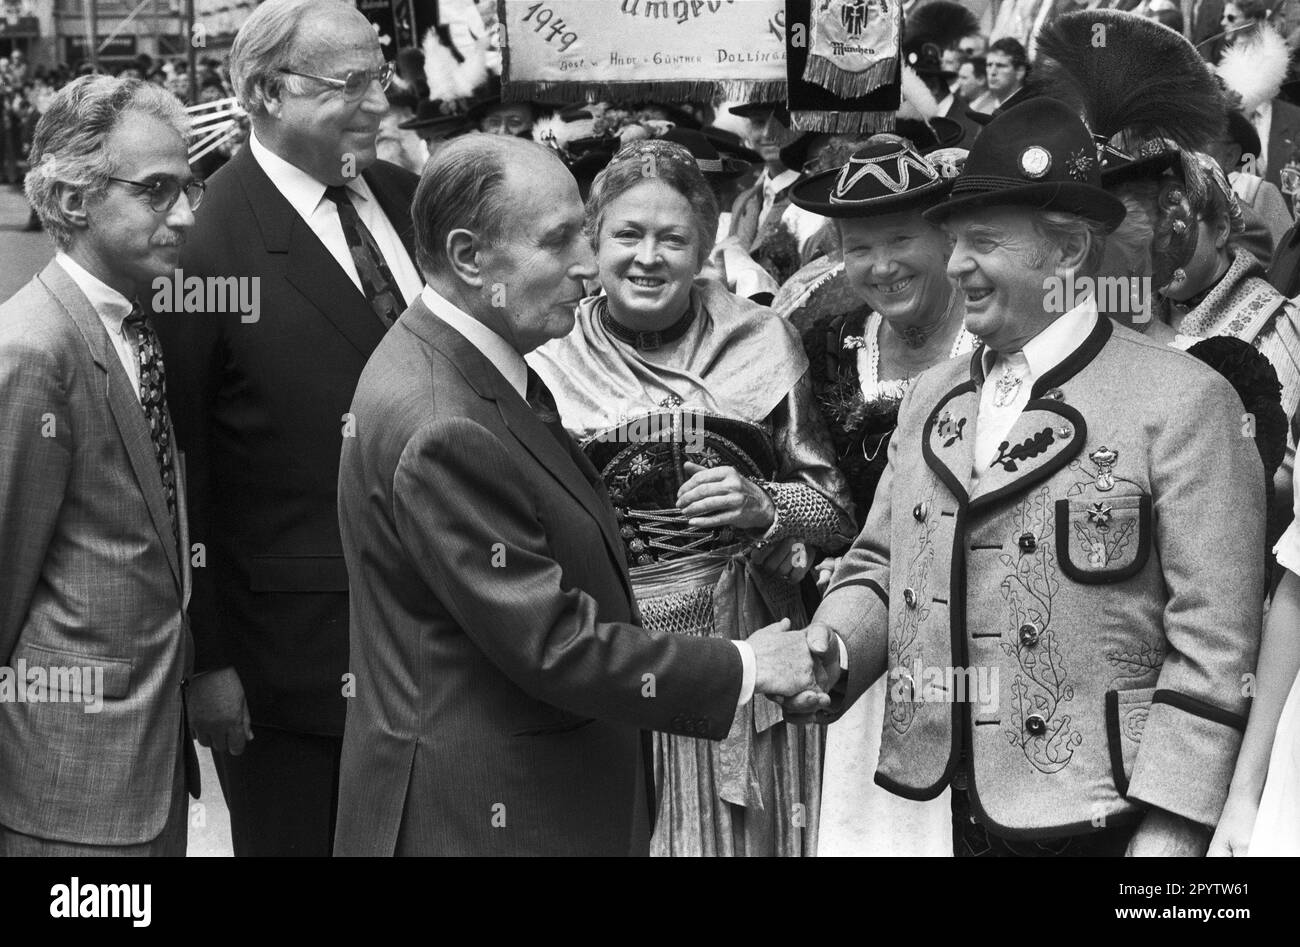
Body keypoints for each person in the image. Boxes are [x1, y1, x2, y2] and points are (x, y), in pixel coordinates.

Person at [795, 98, 1266, 857]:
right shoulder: (932, 396)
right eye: (953, 243)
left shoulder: (1186, 402)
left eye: (981, 242)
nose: (954, 266)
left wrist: (1172, 832)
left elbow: (1216, 645)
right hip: (948, 810)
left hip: (1108, 821)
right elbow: (884, 563)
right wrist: (836, 648)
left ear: (1070, 250)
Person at [333, 134, 828, 857]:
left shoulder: (474, 363)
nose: (589, 265)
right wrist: (749, 666)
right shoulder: (442, 420)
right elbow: (556, 644)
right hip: (486, 814)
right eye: (562, 239)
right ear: (471, 257)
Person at [526, 139, 855, 856]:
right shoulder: (547, 358)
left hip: (752, 645)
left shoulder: (762, 338)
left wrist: (764, 503)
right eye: (628, 235)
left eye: (673, 238)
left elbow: (837, 516)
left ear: (706, 246)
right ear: (593, 239)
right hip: (609, 652)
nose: (649, 257)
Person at [152, 0, 423, 857]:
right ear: (267, 91)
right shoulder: (202, 245)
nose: (380, 101)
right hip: (293, 673)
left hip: (444, 638)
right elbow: (179, 465)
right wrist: (208, 660)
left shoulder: (405, 197)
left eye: (381, 75)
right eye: (351, 84)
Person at [0, 75, 200, 854]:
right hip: (65, 789)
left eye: (189, 189)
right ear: (75, 200)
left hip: (145, 767)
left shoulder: (135, 320)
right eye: (156, 190)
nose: (184, 216)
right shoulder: (31, 349)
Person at [787, 135, 977, 856]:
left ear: (947, 234)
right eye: (859, 246)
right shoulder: (828, 341)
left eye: (902, 237)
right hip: (859, 636)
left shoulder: (994, 344)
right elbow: (824, 496)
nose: (882, 264)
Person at [983, 38, 1028, 112]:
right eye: (989, 65)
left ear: (1020, 72)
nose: (992, 72)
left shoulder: (1026, 110)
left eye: (1000, 65)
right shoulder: (985, 108)